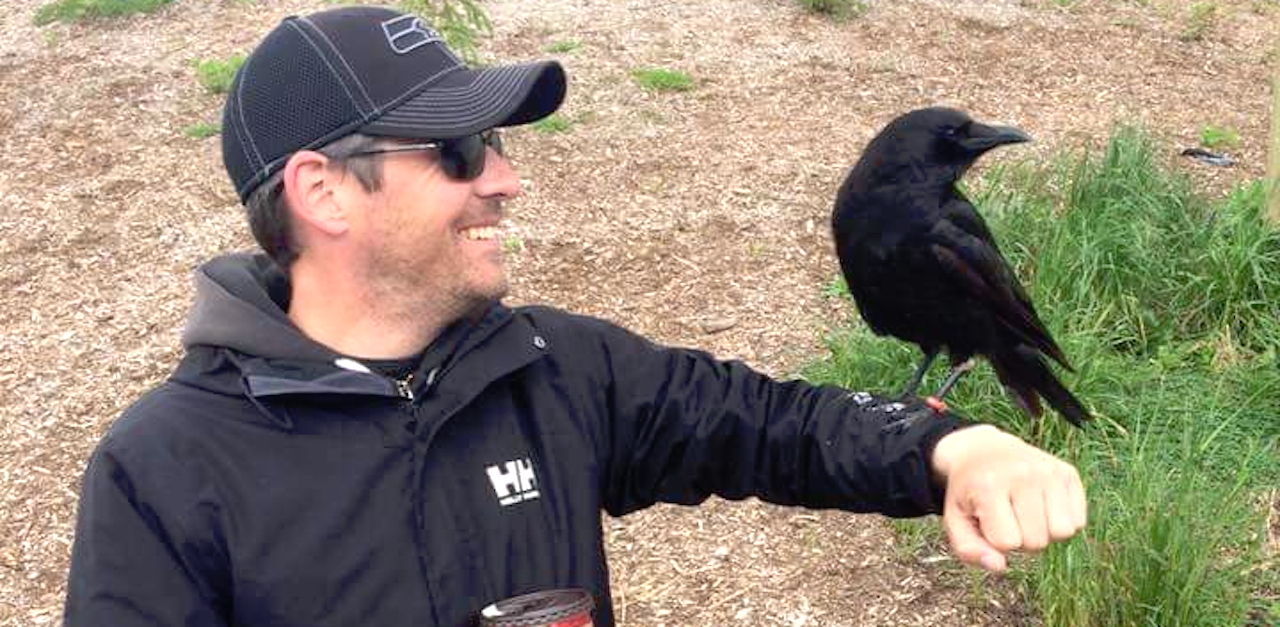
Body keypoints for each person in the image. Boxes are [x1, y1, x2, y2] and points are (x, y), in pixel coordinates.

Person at [62, 6, 1087, 626]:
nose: (504, 179)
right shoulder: (165, 473)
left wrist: (955, 449)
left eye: (499, 145)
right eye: (460, 151)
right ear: (322, 192)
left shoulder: (552, 366)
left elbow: (767, 424)